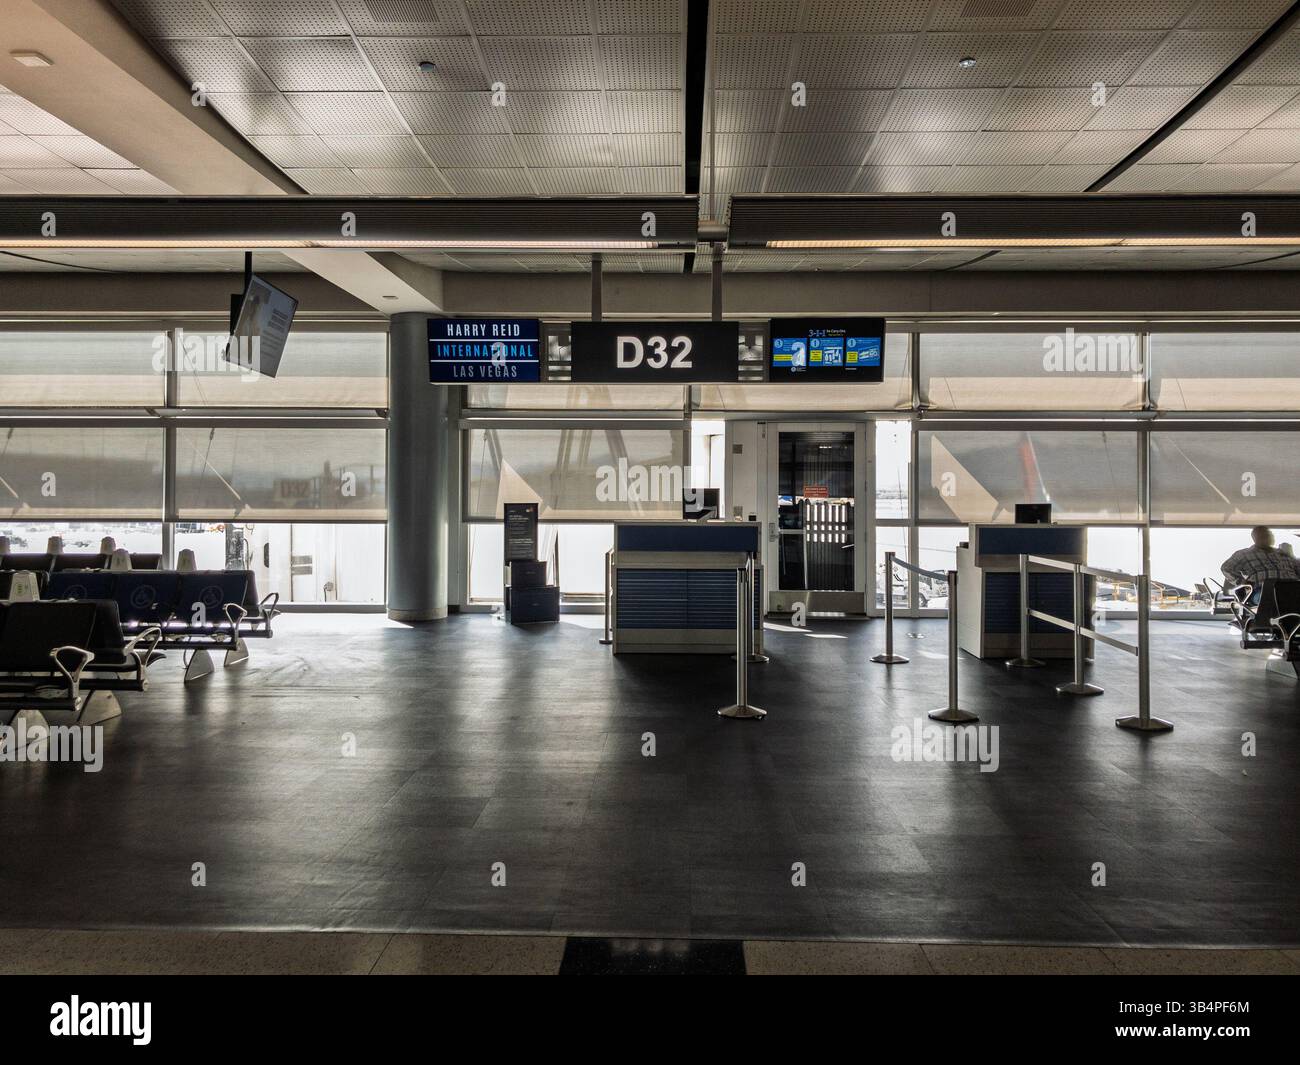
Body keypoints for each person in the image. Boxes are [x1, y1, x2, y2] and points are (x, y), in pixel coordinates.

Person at [1220, 527, 1299, 601]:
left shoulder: (1283, 553)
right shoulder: (1244, 554)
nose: (1267, 538)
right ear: (1255, 539)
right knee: (1282, 597)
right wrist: (1242, 582)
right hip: (1264, 591)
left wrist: (1291, 555)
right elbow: (1226, 568)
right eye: (1263, 536)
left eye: (1269, 535)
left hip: (1293, 587)